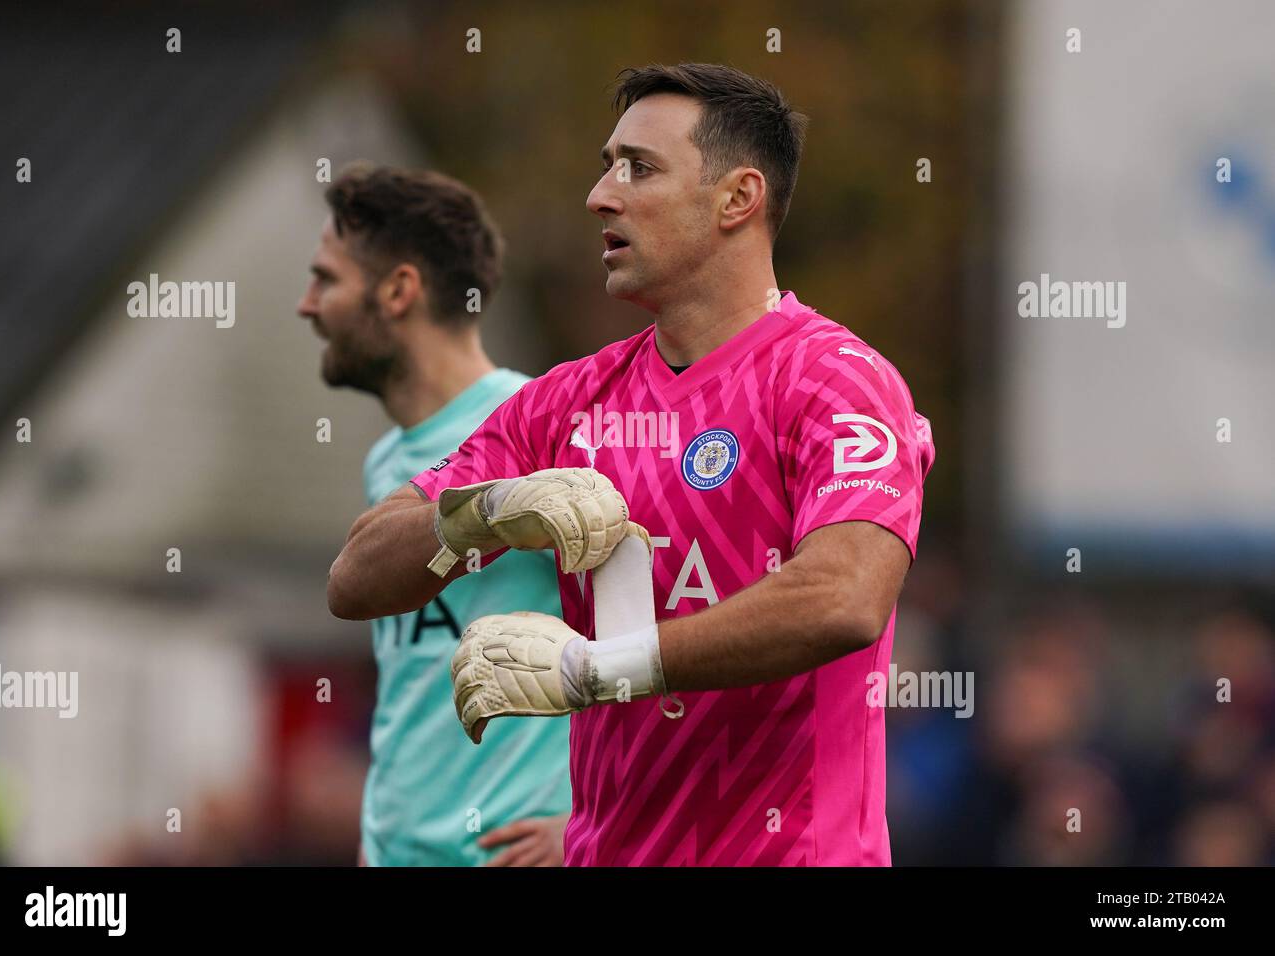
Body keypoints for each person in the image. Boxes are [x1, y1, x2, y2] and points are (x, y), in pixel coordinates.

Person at [327, 64, 936, 866]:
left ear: (737, 199)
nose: (600, 195)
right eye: (606, 164)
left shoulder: (833, 380)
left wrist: (592, 668)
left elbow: (844, 597)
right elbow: (355, 579)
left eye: (638, 168)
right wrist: (481, 512)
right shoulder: (567, 401)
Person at [299, 163, 569, 866]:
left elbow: (665, 633)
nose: (306, 304)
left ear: (398, 291)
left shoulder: (542, 427)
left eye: (325, 279)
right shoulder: (389, 463)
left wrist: (590, 825)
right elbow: (414, 684)